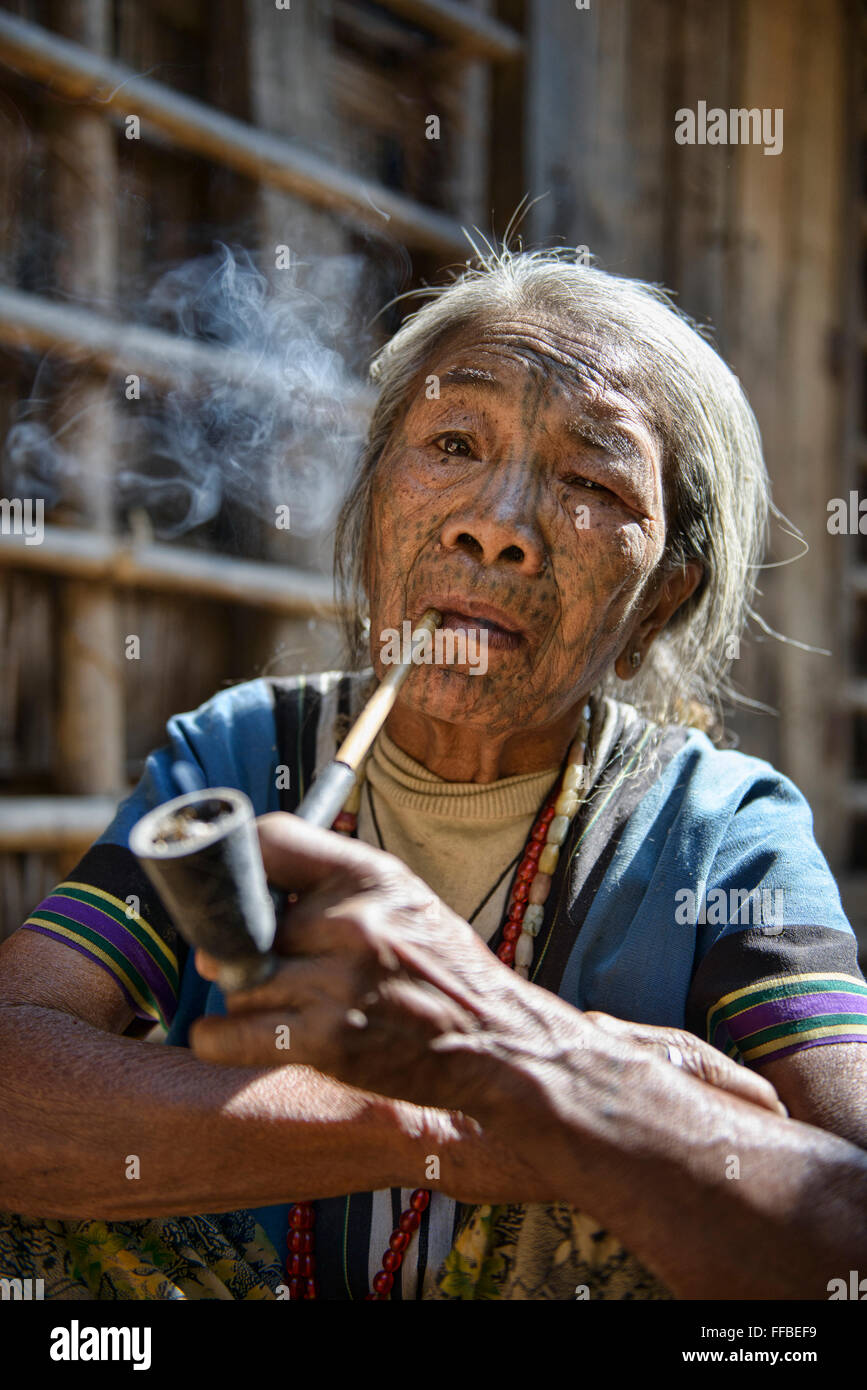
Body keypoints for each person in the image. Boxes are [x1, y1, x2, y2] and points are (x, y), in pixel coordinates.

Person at [1, 248, 866, 1301]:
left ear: (657, 605)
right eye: (453, 442)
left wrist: (535, 1067)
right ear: (373, 526)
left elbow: (845, 1228)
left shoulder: (720, 830)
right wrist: (448, 1119)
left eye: (591, 480)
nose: (495, 526)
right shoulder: (240, 759)